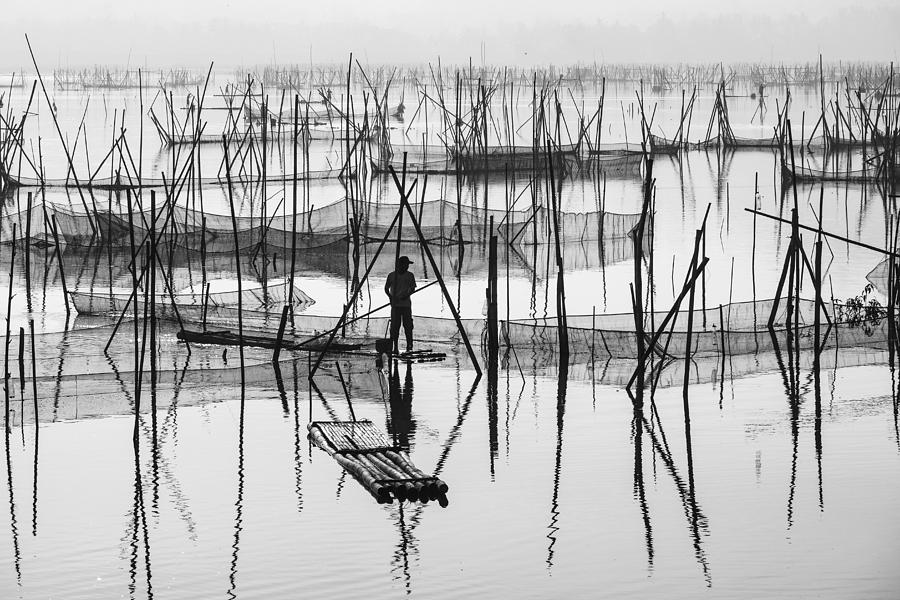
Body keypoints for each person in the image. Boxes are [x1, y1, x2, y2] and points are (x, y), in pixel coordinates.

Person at [385, 255, 416, 354]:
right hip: (395, 305)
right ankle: (395, 347)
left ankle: (409, 346)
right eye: (406, 265)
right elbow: (386, 288)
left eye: (407, 265)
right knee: (395, 326)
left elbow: (412, 288)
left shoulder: (410, 275)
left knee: (408, 326)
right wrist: (390, 297)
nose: (407, 267)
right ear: (400, 265)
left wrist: (407, 295)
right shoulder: (392, 275)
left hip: (406, 305)